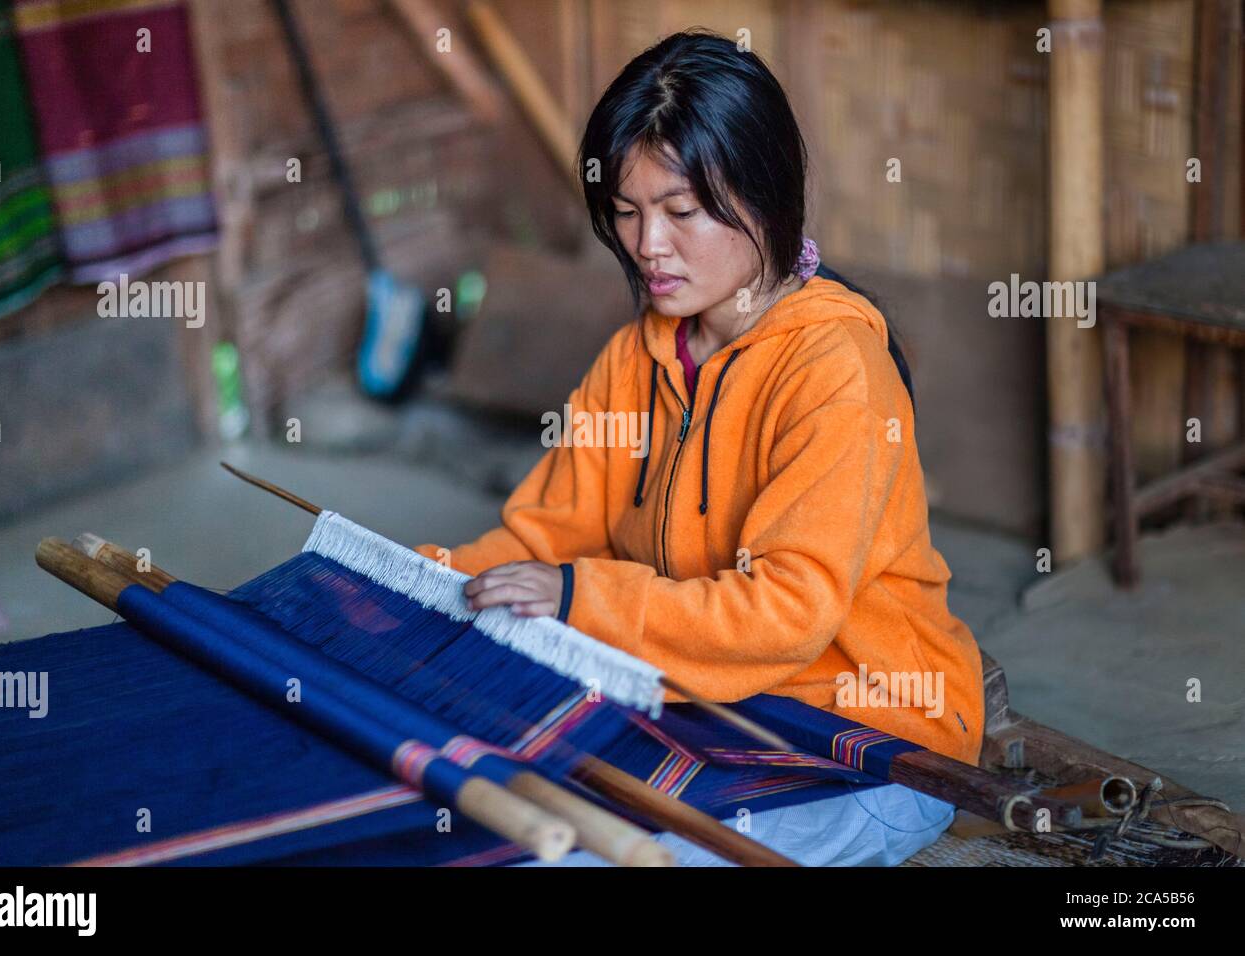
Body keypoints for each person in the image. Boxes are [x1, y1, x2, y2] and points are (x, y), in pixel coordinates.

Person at [415, 29, 982, 865]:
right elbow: (546, 537)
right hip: (697, 704)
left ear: (766, 198)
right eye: (627, 212)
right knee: (466, 805)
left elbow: (786, 613)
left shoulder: (834, 370)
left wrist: (579, 598)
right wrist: (425, 585)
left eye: (681, 211)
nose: (648, 245)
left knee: (574, 855)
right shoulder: (636, 357)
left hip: (863, 744)